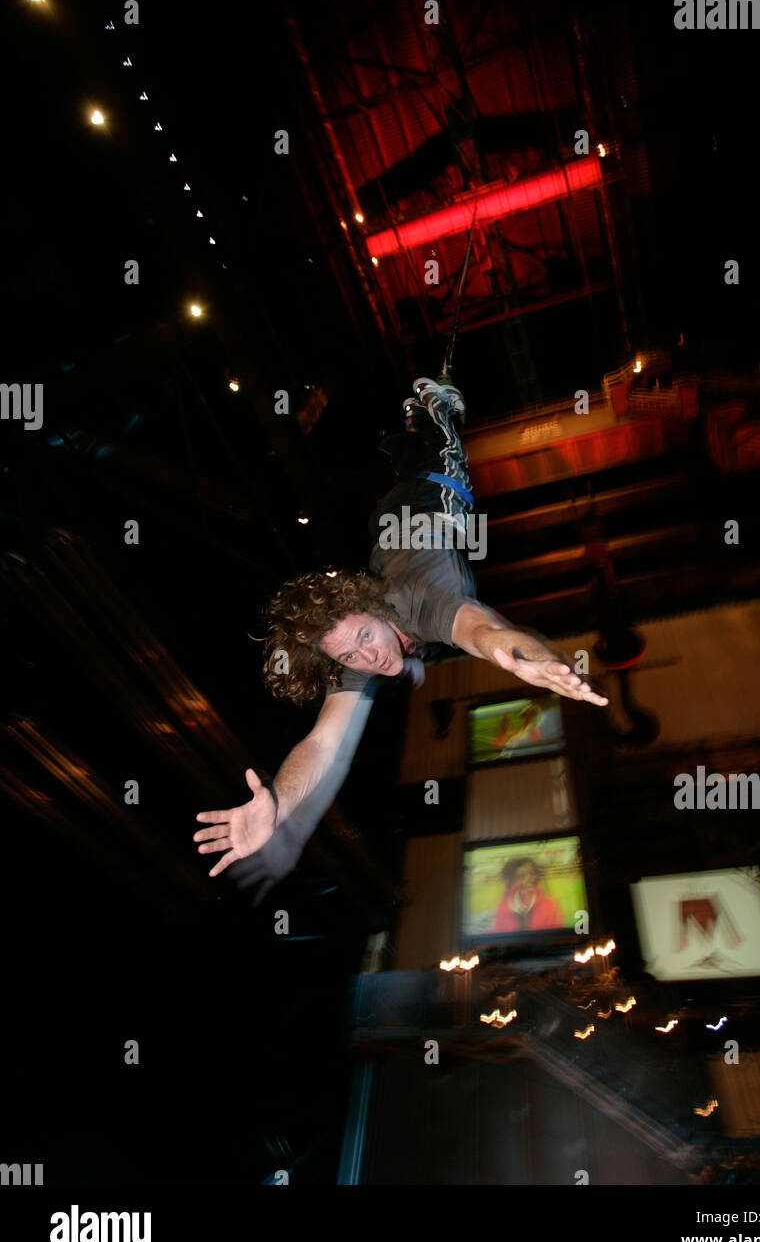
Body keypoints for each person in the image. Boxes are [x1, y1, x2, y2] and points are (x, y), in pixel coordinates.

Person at [194, 376, 608, 899]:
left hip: (429, 498)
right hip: (387, 523)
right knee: (406, 464)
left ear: (372, 608)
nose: (365, 657)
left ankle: (435, 406)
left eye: (365, 636)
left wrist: (520, 656)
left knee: (441, 458)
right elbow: (323, 744)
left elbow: (479, 627)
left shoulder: (420, 600)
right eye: (349, 655)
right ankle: (412, 424)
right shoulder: (351, 651)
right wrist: (279, 800)